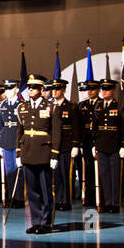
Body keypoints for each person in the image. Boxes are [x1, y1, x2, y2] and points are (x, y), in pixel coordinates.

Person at [16, 74, 59, 233]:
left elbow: (56, 132)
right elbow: (19, 132)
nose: (31, 89)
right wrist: (18, 153)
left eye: (34, 87)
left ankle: (46, 223)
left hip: (44, 153)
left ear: (42, 89)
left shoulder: (51, 106)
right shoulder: (22, 107)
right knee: (32, 191)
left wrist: (54, 154)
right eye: (29, 87)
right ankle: (35, 221)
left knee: (46, 191)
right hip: (28, 152)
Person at [92, 79, 124, 213]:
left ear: (113, 91)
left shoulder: (118, 105)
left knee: (115, 174)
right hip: (101, 144)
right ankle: (107, 202)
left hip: (115, 144)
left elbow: (123, 126)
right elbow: (94, 126)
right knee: (104, 174)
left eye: (107, 89)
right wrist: (95, 143)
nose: (104, 91)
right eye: (103, 89)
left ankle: (115, 203)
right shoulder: (98, 105)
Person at [48, 79, 77, 212]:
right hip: (53, 146)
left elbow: (77, 127)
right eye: (53, 89)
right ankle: (57, 199)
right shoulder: (49, 106)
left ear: (64, 90)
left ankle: (66, 201)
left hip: (66, 145)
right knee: (56, 175)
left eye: (58, 89)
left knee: (66, 174)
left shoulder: (70, 107)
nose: (55, 91)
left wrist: (76, 145)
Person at [0, 80, 23, 206]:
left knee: (19, 171)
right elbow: (0, 126)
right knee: (9, 172)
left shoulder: (22, 105)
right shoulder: (2, 105)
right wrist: (0, 144)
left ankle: (20, 198)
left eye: (10, 89)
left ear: (16, 90)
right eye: (6, 89)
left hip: (18, 143)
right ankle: (11, 197)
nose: (7, 91)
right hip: (6, 142)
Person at [76, 79, 100, 207]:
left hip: (97, 140)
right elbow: (79, 125)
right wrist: (78, 143)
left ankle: (100, 197)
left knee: (99, 171)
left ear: (98, 90)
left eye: (93, 89)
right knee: (88, 171)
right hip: (86, 140)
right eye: (88, 89)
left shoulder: (101, 104)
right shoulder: (82, 105)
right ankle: (89, 197)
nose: (90, 91)